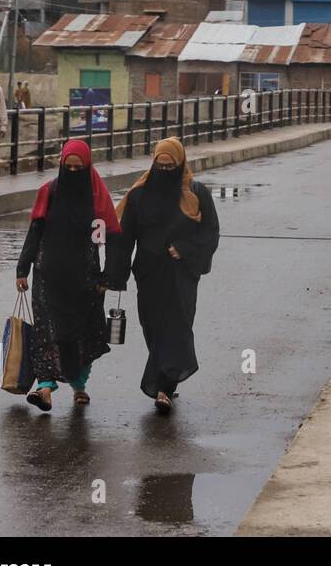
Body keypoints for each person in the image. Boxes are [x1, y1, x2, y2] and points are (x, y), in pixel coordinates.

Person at [105, 137, 220, 414]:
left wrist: (185, 249)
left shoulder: (195, 193)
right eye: (161, 165)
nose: (165, 170)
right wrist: (115, 276)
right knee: (153, 328)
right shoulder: (139, 195)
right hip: (149, 273)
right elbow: (125, 237)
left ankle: (162, 388)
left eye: (171, 166)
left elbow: (210, 232)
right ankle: (166, 377)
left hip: (181, 275)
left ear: (180, 165)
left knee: (177, 328)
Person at [16, 139, 122, 412]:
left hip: (85, 280)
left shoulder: (97, 197)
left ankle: (78, 385)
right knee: (46, 333)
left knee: (81, 335)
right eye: (68, 166)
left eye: (79, 167)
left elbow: (111, 237)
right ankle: (45, 388)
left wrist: (108, 277)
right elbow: (35, 231)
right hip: (47, 276)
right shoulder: (49, 192)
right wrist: (22, 269)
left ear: (87, 167)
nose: (73, 171)